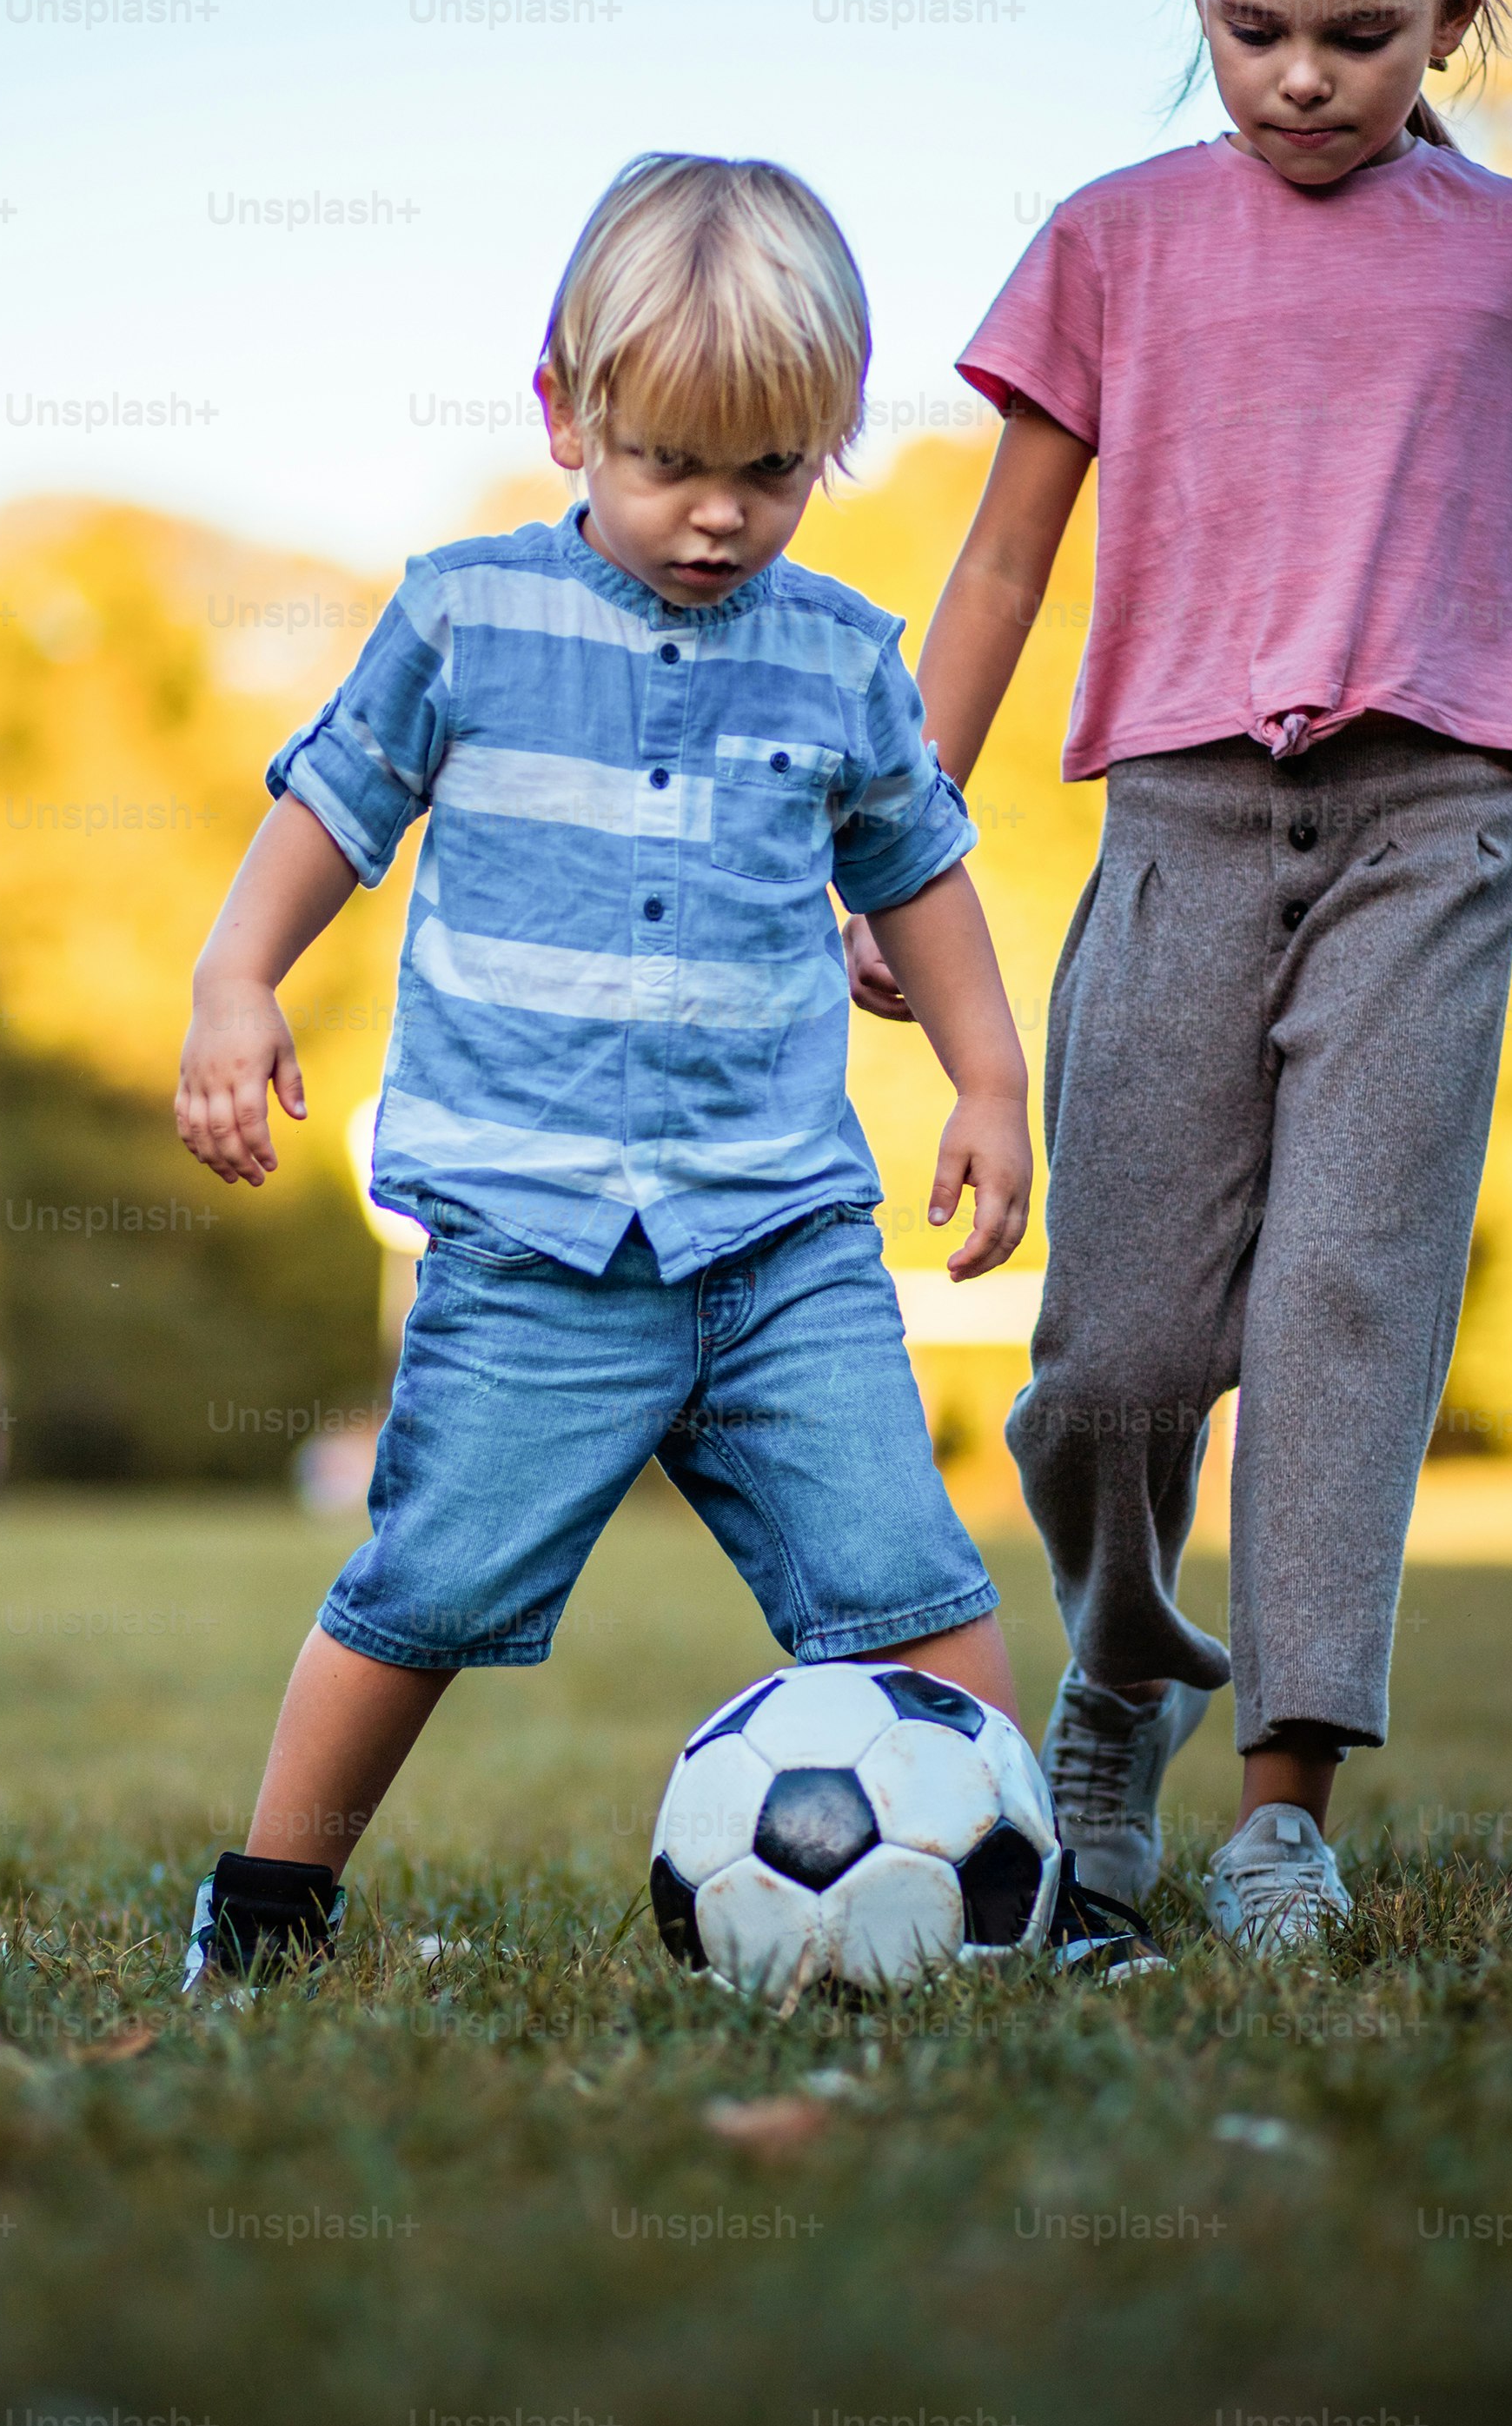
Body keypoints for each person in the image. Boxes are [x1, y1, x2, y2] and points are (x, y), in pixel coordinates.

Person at [845, 0, 1512, 1957]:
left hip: (1435, 831)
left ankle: (1282, 1809)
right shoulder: (1110, 238)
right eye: (1259, 25)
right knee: (1115, 1353)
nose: (1302, 77)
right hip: (1173, 822)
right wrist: (904, 835)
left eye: (1361, 35)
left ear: (1454, 14)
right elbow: (997, 566)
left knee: (1347, 1310)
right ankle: (1118, 1667)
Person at [171, 152, 1169, 1990]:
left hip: (781, 1242)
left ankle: (1023, 1911)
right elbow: (328, 810)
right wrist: (239, 979)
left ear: (832, 444)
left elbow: (922, 872)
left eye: (771, 471)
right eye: (670, 464)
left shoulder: (843, 658)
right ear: (565, 409)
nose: (719, 515)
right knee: (427, 1588)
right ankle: (268, 1904)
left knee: (912, 1582)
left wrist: (990, 1083)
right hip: (532, 1247)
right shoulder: (465, 619)